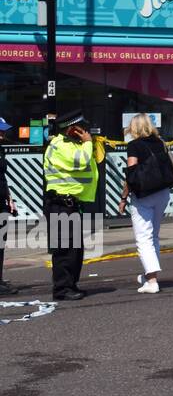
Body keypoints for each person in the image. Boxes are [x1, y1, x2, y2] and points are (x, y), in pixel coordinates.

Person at [43, 110, 99, 302]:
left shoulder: (72, 145)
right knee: (64, 250)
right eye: (80, 128)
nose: (84, 131)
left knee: (75, 250)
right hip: (60, 204)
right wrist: (88, 143)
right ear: (72, 129)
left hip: (70, 204)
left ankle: (70, 284)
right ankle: (61, 289)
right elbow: (82, 162)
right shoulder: (59, 145)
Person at [120, 114, 173, 295]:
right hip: (162, 192)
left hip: (144, 195)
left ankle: (152, 281)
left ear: (133, 128)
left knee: (144, 239)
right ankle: (149, 276)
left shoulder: (134, 145)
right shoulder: (160, 142)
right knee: (154, 237)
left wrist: (123, 198)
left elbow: (131, 173)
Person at [0, 116, 16, 296]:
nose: (3, 133)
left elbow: (2, 178)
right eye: (0, 130)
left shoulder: (1, 150)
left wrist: (9, 197)